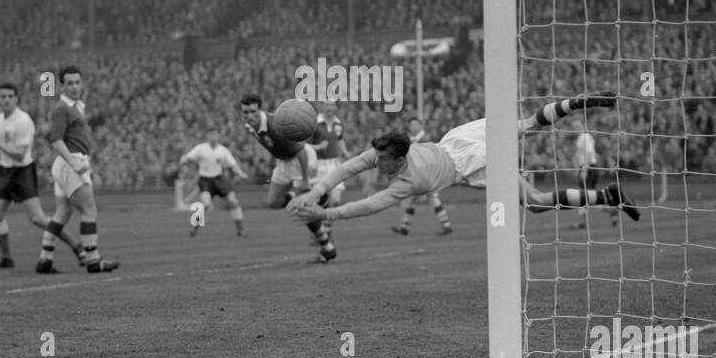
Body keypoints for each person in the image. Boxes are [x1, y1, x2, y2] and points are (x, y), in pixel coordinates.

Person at [287, 92, 640, 224]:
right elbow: (349, 166)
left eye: (381, 161)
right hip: (457, 140)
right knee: (529, 126)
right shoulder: (388, 151)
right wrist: (315, 191)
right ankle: (607, 194)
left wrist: (326, 211)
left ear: (397, 158)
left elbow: (369, 205)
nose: (375, 163)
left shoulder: (411, 181)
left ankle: (605, 194)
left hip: (469, 162)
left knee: (534, 201)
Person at [0, 83, 84, 270]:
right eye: (2, 96)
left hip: (22, 172)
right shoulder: (0, 118)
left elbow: (20, 154)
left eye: (9, 96)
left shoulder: (23, 120)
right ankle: (6, 258)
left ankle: (76, 245)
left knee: (37, 218)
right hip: (5, 171)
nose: (6, 99)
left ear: (16, 98)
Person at [38, 66, 119, 274]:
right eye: (69, 83)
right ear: (62, 86)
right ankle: (93, 260)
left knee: (62, 213)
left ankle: (45, 259)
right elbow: (55, 140)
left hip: (70, 163)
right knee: (89, 209)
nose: (74, 87)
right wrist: (73, 162)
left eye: (77, 82)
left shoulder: (75, 106)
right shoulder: (62, 109)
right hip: (70, 163)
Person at [239, 93, 336, 263]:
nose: (249, 116)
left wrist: (305, 179)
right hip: (284, 161)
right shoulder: (249, 126)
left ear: (259, 109)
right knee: (273, 202)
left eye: (253, 111)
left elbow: (301, 151)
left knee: (302, 208)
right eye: (245, 112)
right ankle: (316, 198)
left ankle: (327, 247)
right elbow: (269, 144)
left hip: (302, 160)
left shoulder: (276, 126)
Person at [392, 116, 453, 236]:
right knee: (419, 198)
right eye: (411, 125)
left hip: (427, 174)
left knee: (427, 198)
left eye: (416, 124)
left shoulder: (427, 139)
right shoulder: (409, 139)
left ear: (421, 126)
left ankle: (405, 227)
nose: (413, 127)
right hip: (418, 174)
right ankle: (405, 227)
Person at [180, 128, 246, 236]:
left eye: (215, 134)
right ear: (207, 136)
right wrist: (184, 160)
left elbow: (233, 164)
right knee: (206, 205)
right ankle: (194, 227)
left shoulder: (223, 150)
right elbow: (188, 158)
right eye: (211, 134)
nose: (213, 137)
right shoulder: (200, 148)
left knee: (233, 201)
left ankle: (240, 229)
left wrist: (240, 173)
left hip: (219, 179)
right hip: (205, 180)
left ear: (218, 136)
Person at [572, 117, 618, 228]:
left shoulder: (585, 137)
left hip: (588, 168)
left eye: (577, 126)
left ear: (581, 126)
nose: (574, 129)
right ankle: (610, 212)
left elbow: (588, 153)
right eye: (574, 127)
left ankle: (609, 212)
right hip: (587, 167)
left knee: (584, 195)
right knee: (586, 195)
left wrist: (584, 169)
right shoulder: (582, 137)